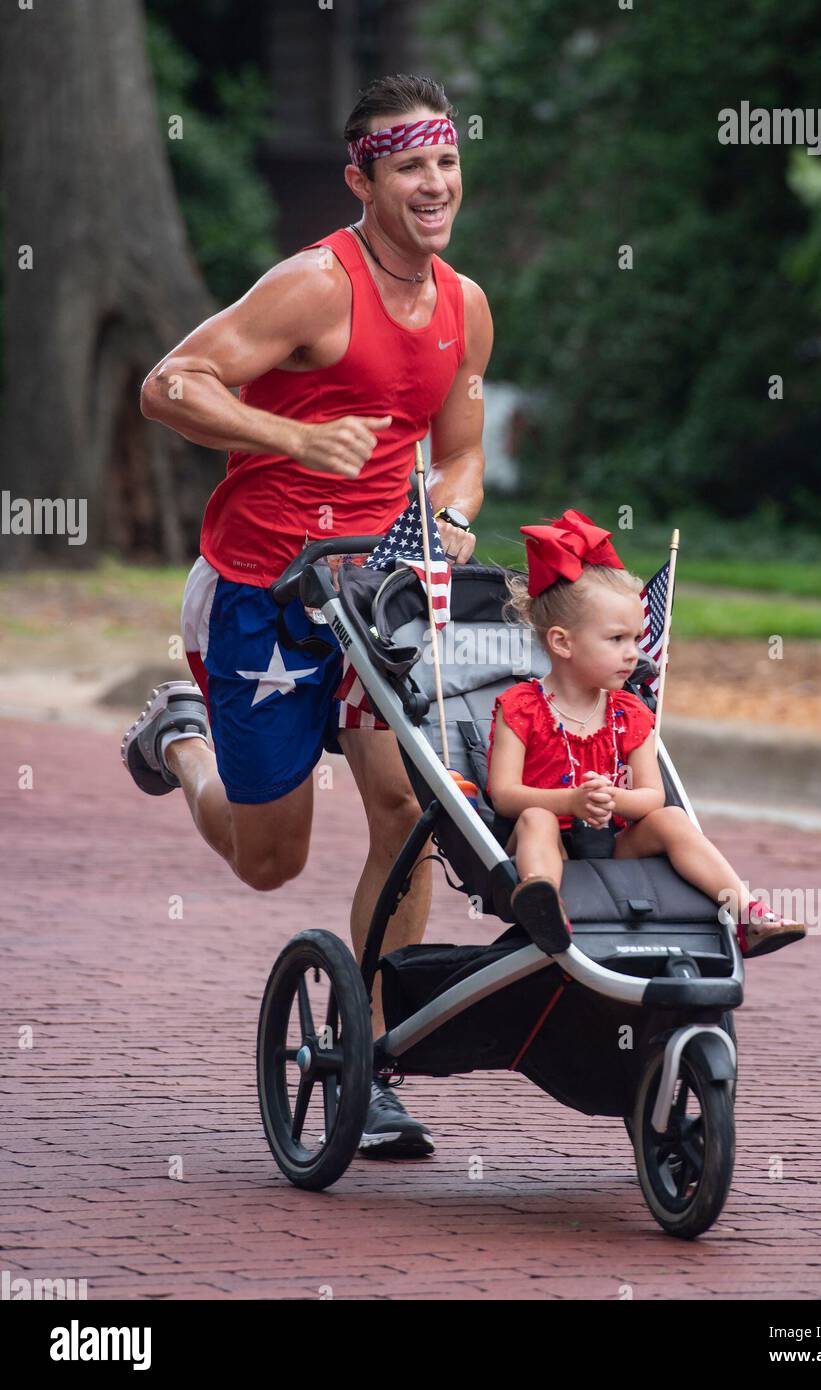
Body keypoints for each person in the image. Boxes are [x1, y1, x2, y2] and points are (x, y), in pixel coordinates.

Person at [121, 74, 494, 1158]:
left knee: (408, 809)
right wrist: (291, 441)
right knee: (270, 860)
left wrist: (453, 516)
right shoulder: (312, 288)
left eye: (446, 163)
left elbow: (460, 455)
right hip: (261, 595)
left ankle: (369, 1064)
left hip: (374, 597)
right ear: (362, 179)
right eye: (409, 166)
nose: (434, 185)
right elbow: (167, 384)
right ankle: (179, 738)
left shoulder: (464, 307)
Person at [486, 510, 807, 959]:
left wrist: (612, 800)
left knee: (672, 819)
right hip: (545, 841)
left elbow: (652, 796)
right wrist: (570, 802)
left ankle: (746, 911)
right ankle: (547, 906)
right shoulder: (522, 707)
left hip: (613, 844)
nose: (632, 654)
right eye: (616, 639)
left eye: (637, 639)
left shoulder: (629, 711)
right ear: (562, 643)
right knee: (536, 820)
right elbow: (503, 794)